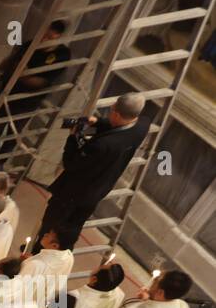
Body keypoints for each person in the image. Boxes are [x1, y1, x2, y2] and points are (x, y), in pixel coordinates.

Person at [37, 93, 150, 248]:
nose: (111, 110)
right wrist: (97, 122)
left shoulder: (103, 145)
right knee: (72, 229)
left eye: (113, 109)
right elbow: (121, 127)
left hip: (73, 192)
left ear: (116, 113)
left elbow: (71, 163)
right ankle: (58, 256)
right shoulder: (142, 125)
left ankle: (37, 252)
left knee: (52, 227)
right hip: (96, 192)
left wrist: (73, 137)